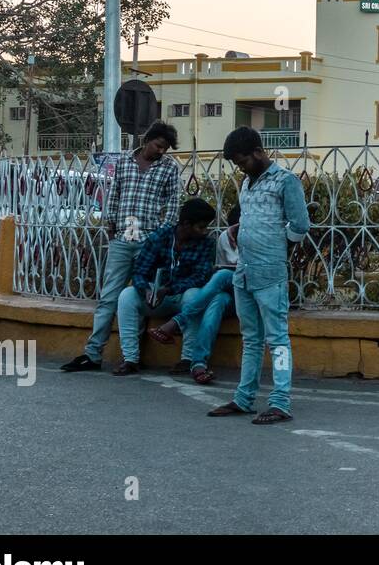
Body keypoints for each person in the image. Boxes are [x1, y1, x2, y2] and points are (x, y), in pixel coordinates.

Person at [208, 127, 309, 425]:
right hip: (245, 272)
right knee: (251, 338)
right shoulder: (247, 182)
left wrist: (281, 246)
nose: (240, 167)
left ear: (257, 152)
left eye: (242, 161)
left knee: (277, 339)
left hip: (270, 271)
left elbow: (300, 225)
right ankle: (244, 397)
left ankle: (281, 401)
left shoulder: (286, 181)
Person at [61, 122, 181, 372]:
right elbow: (114, 194)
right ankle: (93, 354)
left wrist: (163, 230)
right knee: (108, 298)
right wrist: (110, 223)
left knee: (139, 296)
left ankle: (131, 357)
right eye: (158, 145)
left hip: (150, 239)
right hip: (123, 239)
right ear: (148, 139)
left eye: (165, 149)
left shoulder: (169, 167)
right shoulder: (126, 161)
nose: (161, 151)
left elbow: (173, 201)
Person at [110, 198, 216, 376]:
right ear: (186, 224)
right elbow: (139, 271)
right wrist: (146, 290)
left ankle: (187, 359)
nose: (205, 231)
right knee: (126, 296)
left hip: (181, 296)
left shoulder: (206, 243)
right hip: (155, 295)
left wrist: (169, 289)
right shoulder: (161, 236)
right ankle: (130, 359)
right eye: (201, 227)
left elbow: (200, 277)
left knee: (196, 296)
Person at [150, 205, 241, 384]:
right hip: (230, 293)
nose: (236, 231)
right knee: (218, 300)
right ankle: (198, 363)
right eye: (235, 227)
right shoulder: (224, 238)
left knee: (222, 276)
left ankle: (176, 321)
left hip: (250, 292)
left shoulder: (263, 239)